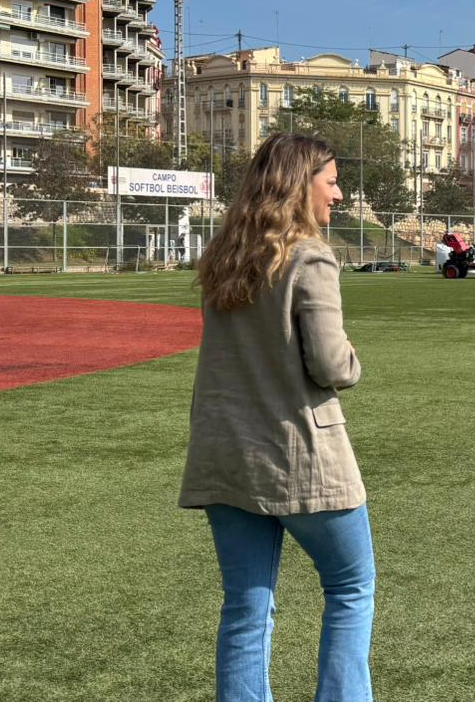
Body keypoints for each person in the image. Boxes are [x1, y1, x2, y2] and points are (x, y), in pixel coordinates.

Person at [181, 133, 374, 701]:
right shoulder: (310, 256)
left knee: (246, 606)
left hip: (226, 453)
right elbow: (332, 364)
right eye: (331, 181)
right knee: (351, 588)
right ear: (299, 184)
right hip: (301, 453)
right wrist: (354, 360)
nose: (338, 194)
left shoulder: (224, 259)